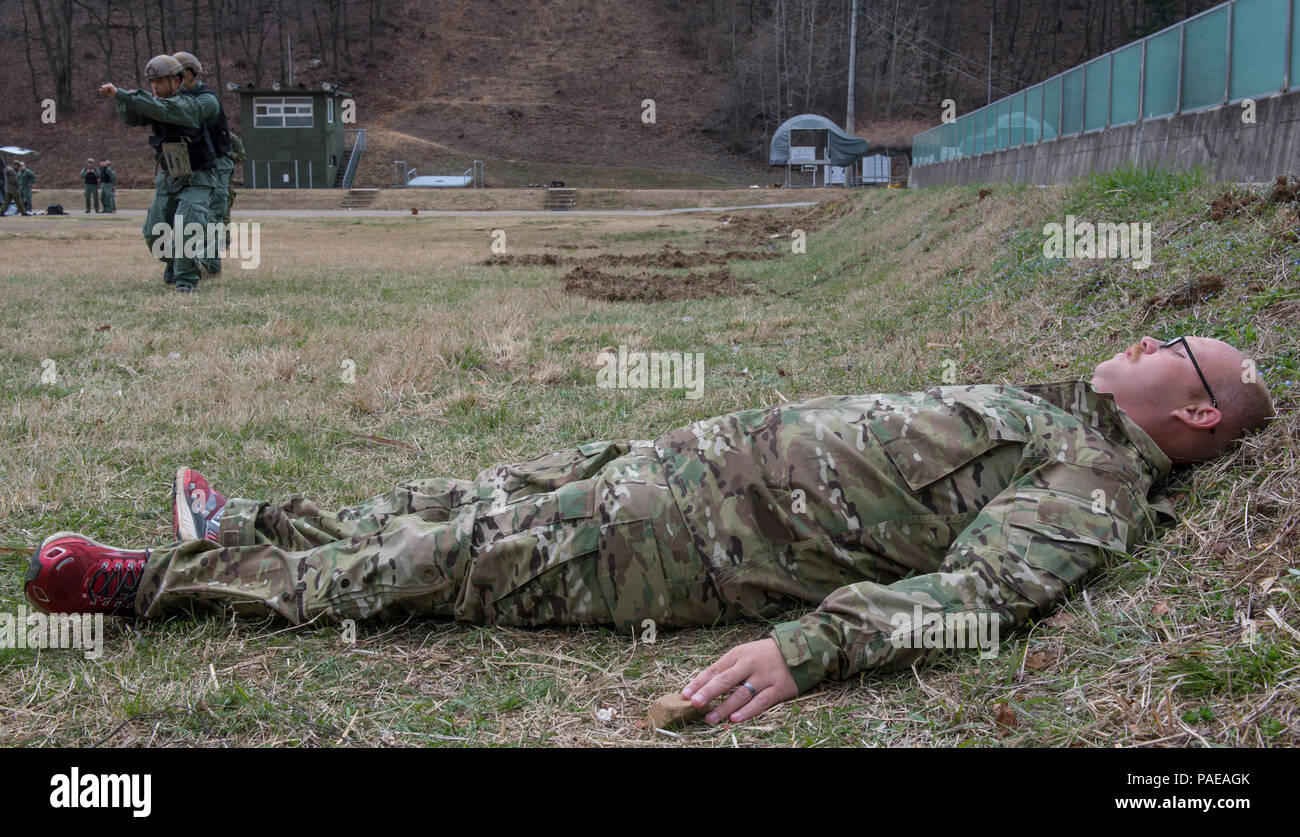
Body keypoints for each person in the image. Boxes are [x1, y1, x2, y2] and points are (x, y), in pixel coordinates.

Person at [24, 335, 1274, 725]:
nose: (1140, 339)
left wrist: (804, 652)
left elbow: (981, 594)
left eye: (1170, 349)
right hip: (672, 469)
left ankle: (145, 585)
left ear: (1200, 411)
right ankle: (244, 520)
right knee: (465, 498)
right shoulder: (1058, 410)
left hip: (676, 548)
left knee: (429, 565)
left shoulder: (1093, 486)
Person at [100, 55, 221, 292]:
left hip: (198, 176)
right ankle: (178, 263)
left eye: (161, 81)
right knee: (154, 234)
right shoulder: (156, 103)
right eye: (152, 82)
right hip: (170, 176)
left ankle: (185, 280)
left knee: (189, 223)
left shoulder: (189, 105)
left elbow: (163, 110)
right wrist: (127, 103)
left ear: (177, 81)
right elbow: (133, 117)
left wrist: (124, 95)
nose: (155, 87)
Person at [174, 51, 233, 275]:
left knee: (213, 214)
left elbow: (186, 115)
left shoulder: (206, 100)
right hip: (197, 164)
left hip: (217, 162)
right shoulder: (182, 98)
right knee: (193, 214)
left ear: (188, 74)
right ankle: (189, 262)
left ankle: (210, 265)